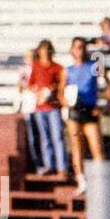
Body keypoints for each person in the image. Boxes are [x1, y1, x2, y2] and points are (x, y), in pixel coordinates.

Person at [64, 37, 105, 194]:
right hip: (74, 110)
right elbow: (62, 92)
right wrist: (67, 101)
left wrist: (103, 106)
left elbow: (107, 87)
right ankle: (81, 180)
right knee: (76, 146)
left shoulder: (93, 67)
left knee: (96, 146)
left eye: (82, 47)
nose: (79, 50)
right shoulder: (67, 70)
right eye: (77, 47)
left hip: (89, 109)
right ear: (72, 50)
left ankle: (100, 181)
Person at [27, 39, 68, 177]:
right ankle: (49, 164)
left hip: (53, 106)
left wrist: (53, 89)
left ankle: (62, 167)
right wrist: (38, 93)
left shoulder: (57, 67)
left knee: (57, 136)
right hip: (40, 107)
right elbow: (30, 84)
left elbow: (62, 84)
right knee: (45, 138)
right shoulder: (36, 66)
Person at [17, 49, 44, 173]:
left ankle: (43, 162)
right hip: (28, 106)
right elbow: (20, 87)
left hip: (39, 106)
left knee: (41, 135)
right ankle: (36, 163)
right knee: (32, 137)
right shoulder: (23, 71)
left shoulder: (40, 70)